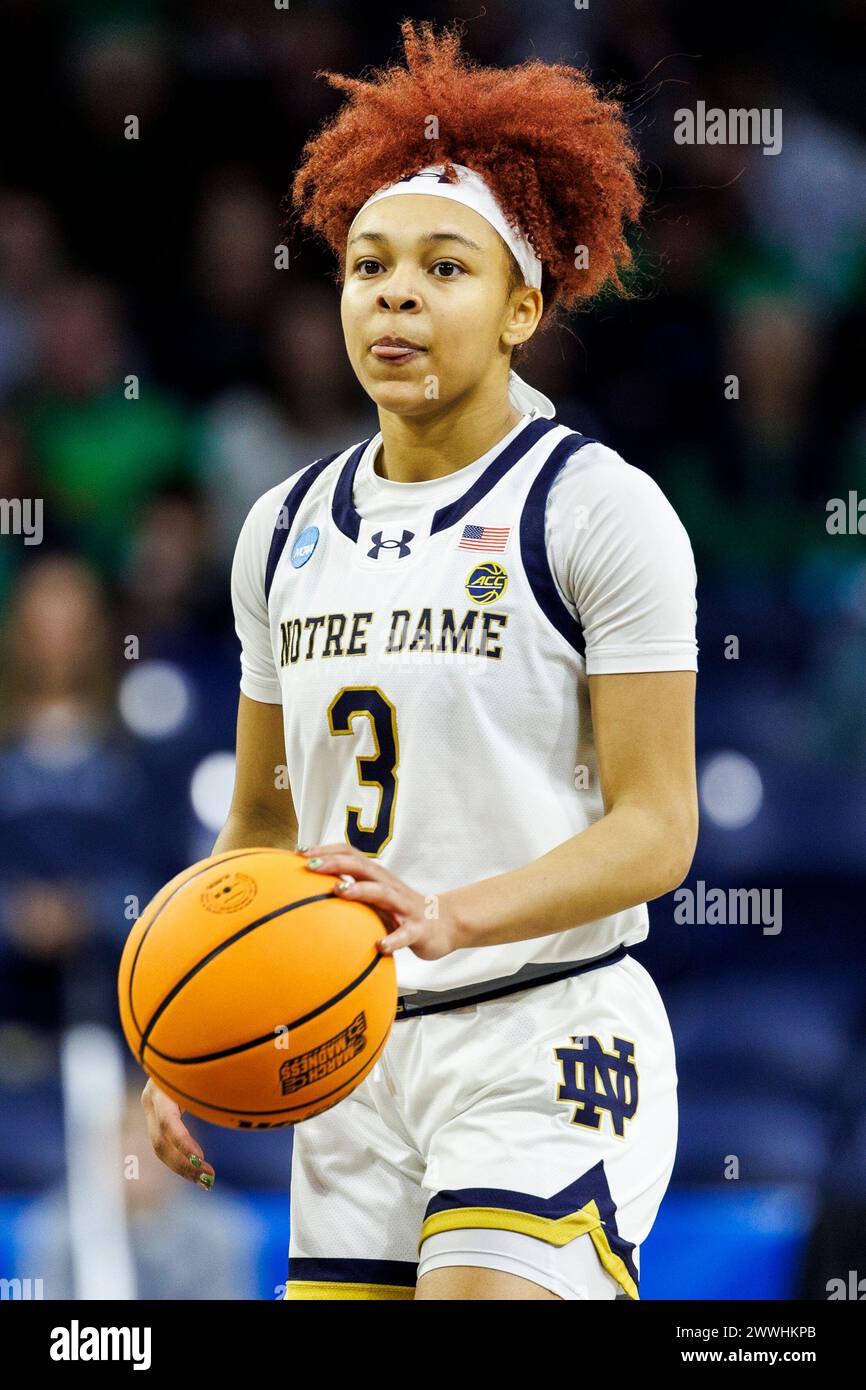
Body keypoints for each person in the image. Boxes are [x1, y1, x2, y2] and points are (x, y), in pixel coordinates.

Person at [143, 19, 698, 1301]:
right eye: (369, 265)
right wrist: (182, 1035)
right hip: (346, 1055)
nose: (393, 293)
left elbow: (659, 829)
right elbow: (261, 820)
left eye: (442, 268)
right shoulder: (279, 527)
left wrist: (450, 917)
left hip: (542, 1028)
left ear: (518, 307)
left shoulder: (597, 510)